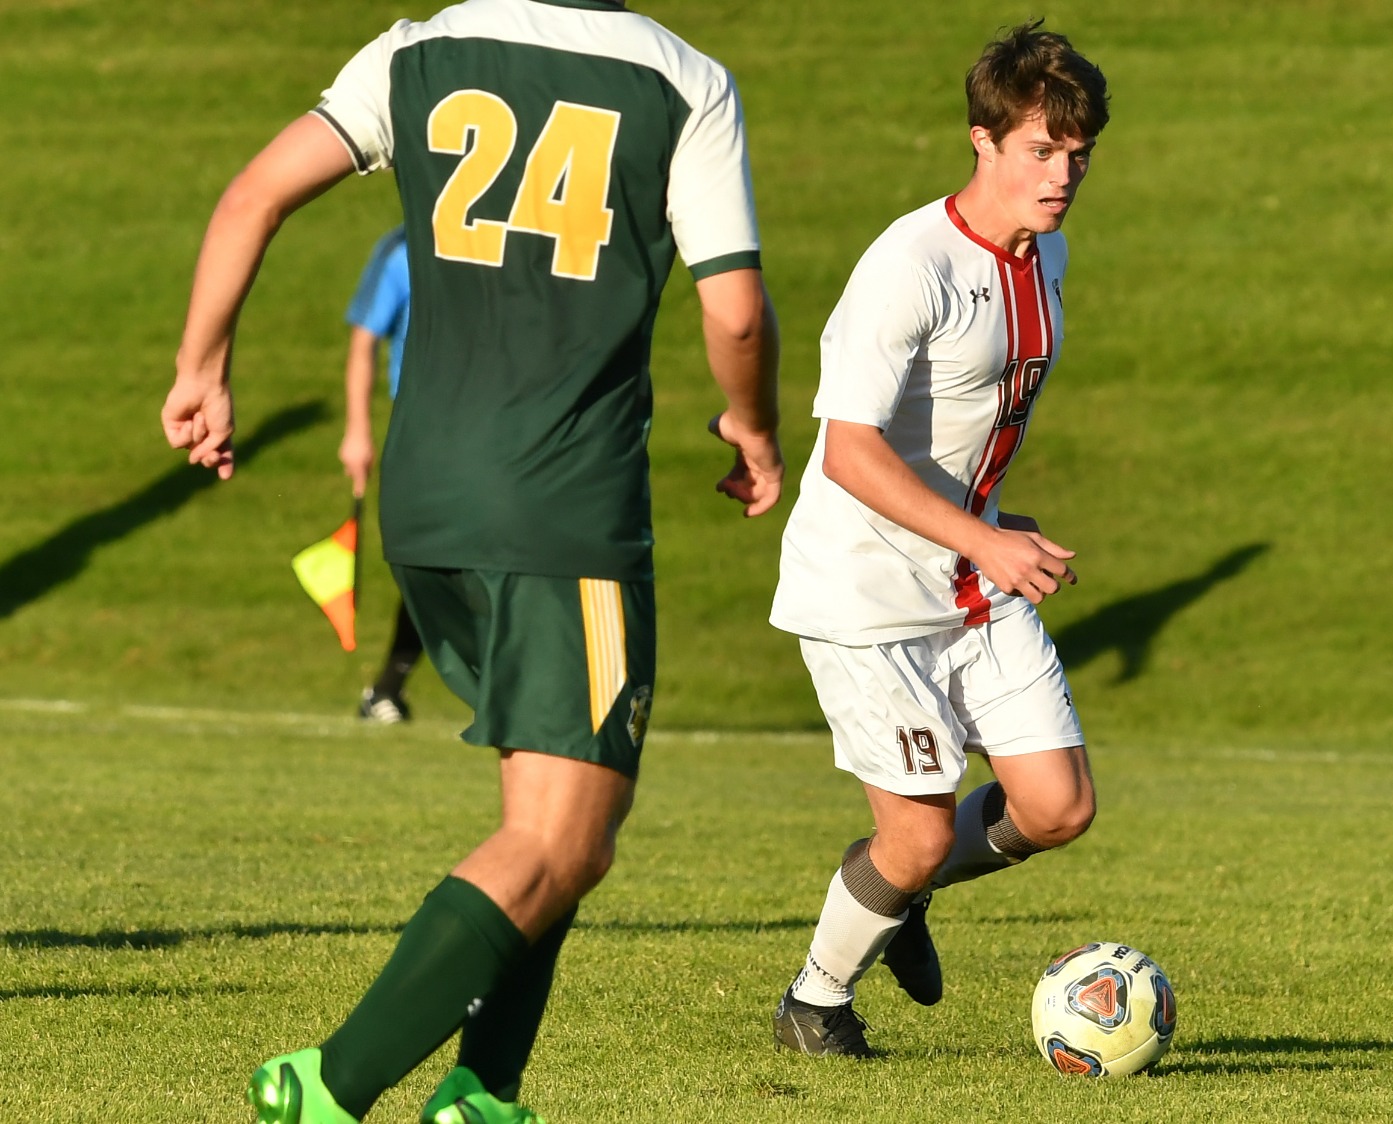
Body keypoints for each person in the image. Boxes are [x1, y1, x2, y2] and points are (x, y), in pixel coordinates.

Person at [160, 0, 782, 1119]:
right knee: (561, 833)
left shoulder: (414, 49)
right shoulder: (682, 79)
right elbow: (734, 314)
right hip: (560, 507)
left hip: (425, 495)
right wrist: (754, 424)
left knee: (554, 820)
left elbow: (252, 194)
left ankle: (481, 1094)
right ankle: (328, 1084)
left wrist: (201, 365)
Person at [766, 20, 1108, 1057]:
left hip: (969, 570)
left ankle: (898, 888)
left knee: (1056, 806)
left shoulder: (1046, 252)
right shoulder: (907, 265)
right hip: (865, 585)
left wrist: (995, 524)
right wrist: (985, 538)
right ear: (982, 140)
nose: (1061, 176)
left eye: (1078, 153)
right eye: (1040, 150)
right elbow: (848, 452)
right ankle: (815, 1000)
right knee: (914, 833)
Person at [338, 226, 426, 724]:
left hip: (498, 419)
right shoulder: (401, 250)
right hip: (421, 425)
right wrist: (357, 432)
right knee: (432, 562)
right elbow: (364, 340)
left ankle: (390, 687)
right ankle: (387, 688)